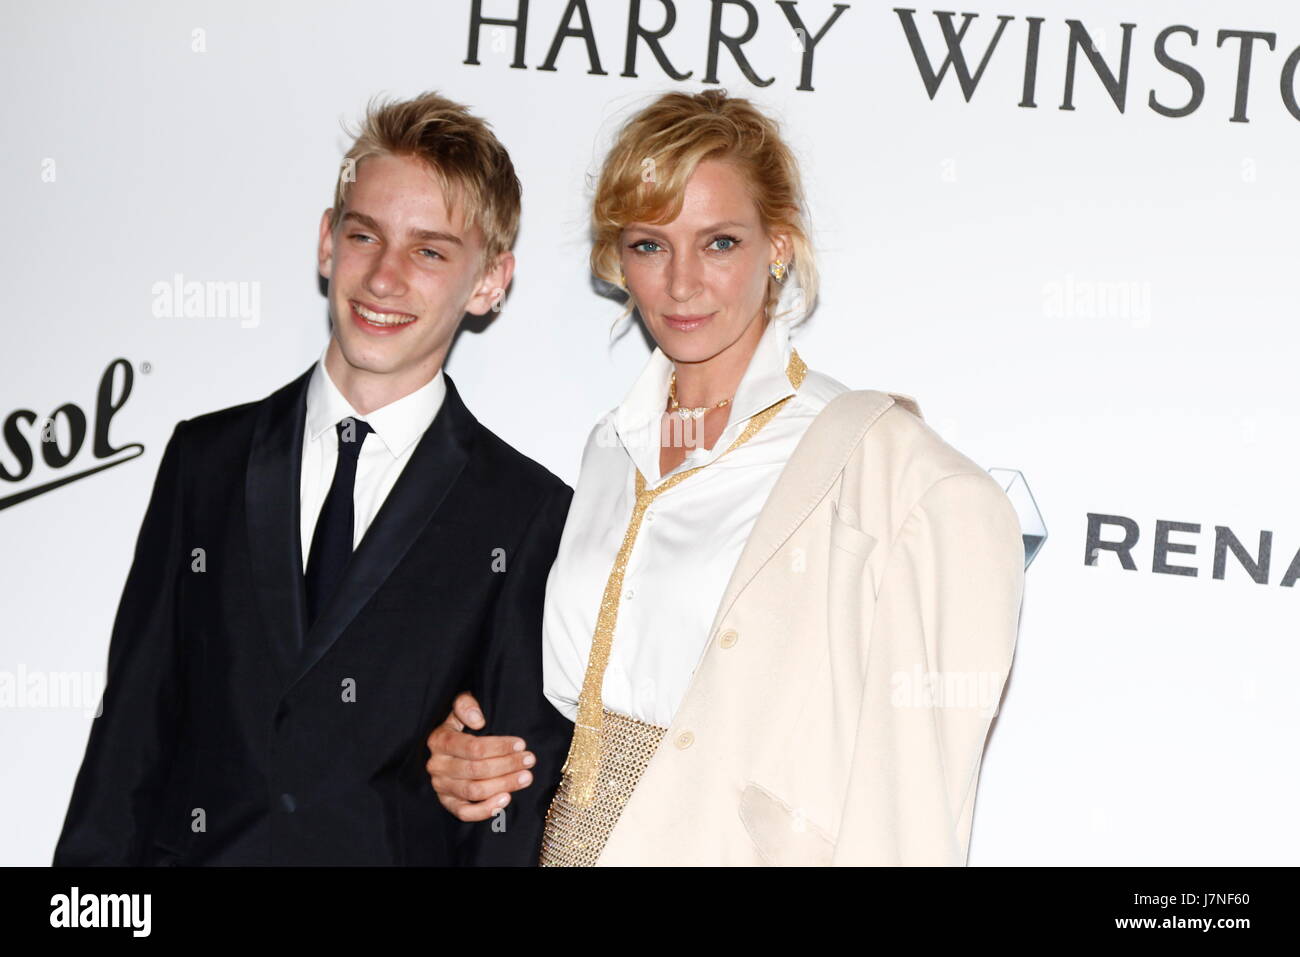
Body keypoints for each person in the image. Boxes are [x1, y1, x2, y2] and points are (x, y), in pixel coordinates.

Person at [425, 89, 1026, 865]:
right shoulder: (611, 448)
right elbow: (578, 716)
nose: (680, 284)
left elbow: (908, 806)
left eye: (719, 243)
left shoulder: (868, 464)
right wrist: (467, 752)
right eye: (649, 244)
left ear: (778, 245)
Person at [53, 91, 573, 866]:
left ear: (490, 281)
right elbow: (128, 736)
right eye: (366, 235)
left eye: (430, 251)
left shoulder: (525, 514)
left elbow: (503, 804)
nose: (385, 277)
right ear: (328, 242)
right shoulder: (207, 461)